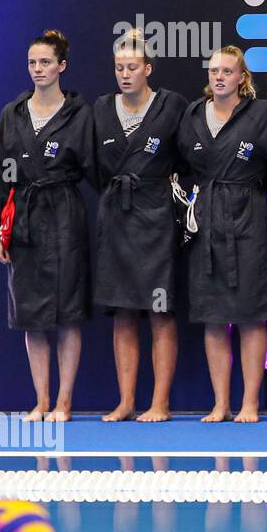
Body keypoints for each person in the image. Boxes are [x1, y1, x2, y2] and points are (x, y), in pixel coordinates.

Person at [0, 30, 93, 421]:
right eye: (32, 62)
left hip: (63, 216)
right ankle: (41, 399)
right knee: (31, 315)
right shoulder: (12, 113)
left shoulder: (80, 114)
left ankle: (64, 401)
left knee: (67, 313)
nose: (38, 69)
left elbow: (97, 168)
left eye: (45, 62)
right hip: (23, 217)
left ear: (62, 66)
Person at [177, 45, 267, 423]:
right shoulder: (193, 114)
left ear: (242, 77)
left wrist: (249, 190)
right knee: (213, 315)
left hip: (248, 215)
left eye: (227, 70)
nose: (219, 76)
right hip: (208, 215)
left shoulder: (263, 115)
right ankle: (220, 403)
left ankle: (250, 403)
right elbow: (183, 163)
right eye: (213, 71)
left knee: (250, 313)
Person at [91, 28, 187, 421]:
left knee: (160, 312)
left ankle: (160, 403)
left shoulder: (173, 105)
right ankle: (126, 401)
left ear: (148, 68)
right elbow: (90, 166)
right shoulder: (100, 109)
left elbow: (189, 155)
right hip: (116, 217)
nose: (125, 74)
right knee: (124, 312)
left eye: (132, 67)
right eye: (118, 68)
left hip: (158, 218)